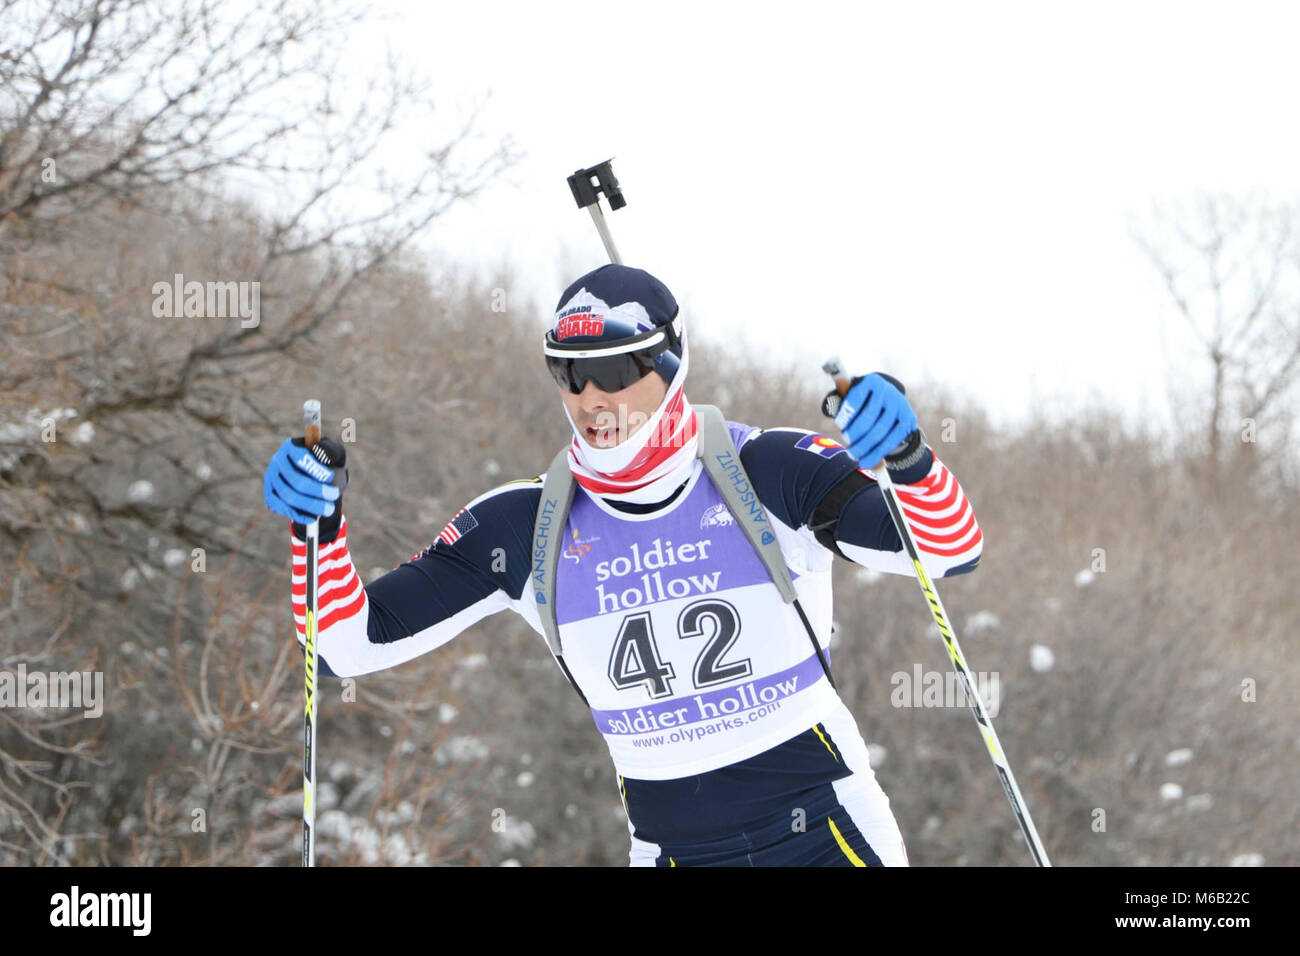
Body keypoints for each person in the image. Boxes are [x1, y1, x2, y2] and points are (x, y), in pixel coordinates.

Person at [262, 264, 983, 866]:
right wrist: (317, 526)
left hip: (824, 831)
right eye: (569, 374)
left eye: (611, 370)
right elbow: (345, 644)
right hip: (670, 847)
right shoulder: (525, 523)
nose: (589, 399)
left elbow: (949, 550)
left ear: (668, 365)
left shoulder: (766, 472)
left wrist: (910, 459)